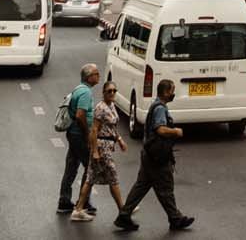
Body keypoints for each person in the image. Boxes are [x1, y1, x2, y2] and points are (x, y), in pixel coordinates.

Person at [116, 78, 192, 232]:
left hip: (149, 154)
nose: (173, 94)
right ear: (165, 92)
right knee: (166, 187)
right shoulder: (160, 109)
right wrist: (176, 131)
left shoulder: (157, 105)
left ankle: (124, 215)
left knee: (141, 186)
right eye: (172, 91)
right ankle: (175, 218)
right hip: (157, 157)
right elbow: (160, 129)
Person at [71, 80, 131, 222]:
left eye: (114, 91)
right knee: (113, 177)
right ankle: (123, 210)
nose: (112, 93)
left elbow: (112, 128)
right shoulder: (101, 107)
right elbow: (95, 130)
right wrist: (95, 150)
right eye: (109, 91)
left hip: (108, 145)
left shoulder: (111, 106)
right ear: (103, 92)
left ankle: (78, 209)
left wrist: (120, 140)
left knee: (90, 178)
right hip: (102, 146)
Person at [59, 64, 100, 214]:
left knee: (71, 167)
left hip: (73, 134)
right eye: (96, 73)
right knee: (90, 167)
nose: (99, 75)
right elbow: (80, 115)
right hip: (79, 135)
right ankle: (84, 202)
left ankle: (64, 201)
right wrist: (87, 134)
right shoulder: (85, 93)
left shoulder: (79, 89)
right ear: (89, 77)